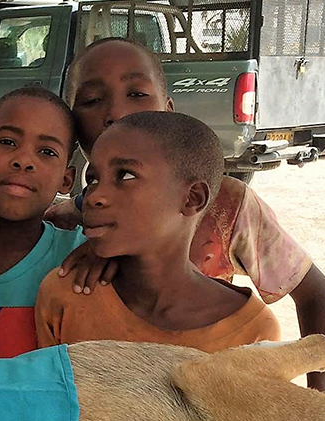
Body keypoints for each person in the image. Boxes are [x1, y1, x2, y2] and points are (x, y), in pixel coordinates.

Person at [49, 37, 325, 394]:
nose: (115, 112)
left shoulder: (229, 204)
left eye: (137, 93)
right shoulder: (80, 218)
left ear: (169, 108)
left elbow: (315, 294)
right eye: (92, 101)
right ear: (74, 127)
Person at [37, 111, 281, 351]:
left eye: (125, 175)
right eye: (92, 180)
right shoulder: (65, 297)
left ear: (192, 199)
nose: (94, 197)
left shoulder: (252, 332)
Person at [0, 86, 81, 358]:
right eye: (7, 142)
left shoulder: (79, 260)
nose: (24, 161)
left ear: (67, 179)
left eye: (47, 152)